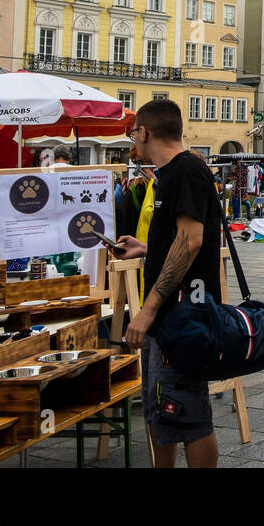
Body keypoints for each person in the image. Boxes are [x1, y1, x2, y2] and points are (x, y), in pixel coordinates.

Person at [111, 99, 224, 468]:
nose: (133, 140)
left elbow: (191, 241)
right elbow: (182, 239)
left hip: (183, 315)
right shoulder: (173, 173)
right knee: (163, 410)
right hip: (173, 314)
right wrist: (146, 249)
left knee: (190, 415)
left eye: (133, 133)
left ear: (144, 132)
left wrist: (146, 310)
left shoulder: (184, 171)